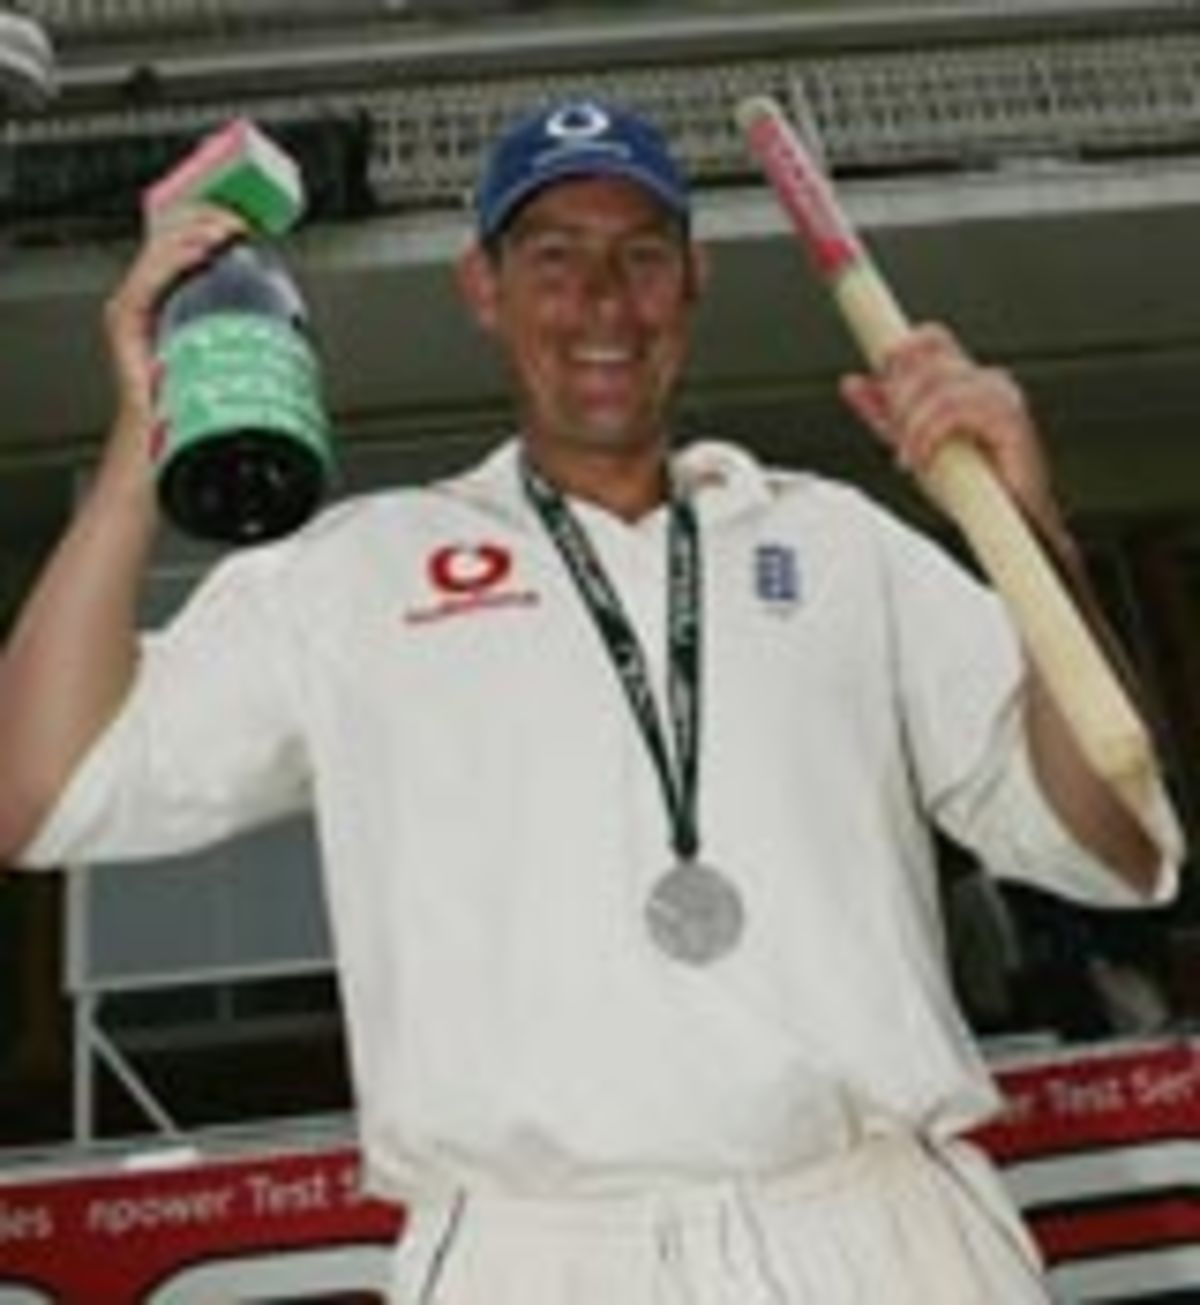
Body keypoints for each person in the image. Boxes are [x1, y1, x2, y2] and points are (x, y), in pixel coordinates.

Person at [0, 97, 1185, 1303]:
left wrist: (1034, 532)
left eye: (640, 256)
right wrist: (145, 435)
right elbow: (35, 790)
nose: (602, 303)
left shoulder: (839, 545)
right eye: (554, 259)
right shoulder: (359, 574)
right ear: (483, 287)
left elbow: (1107, 835)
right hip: (537, 1255)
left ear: (693, 279)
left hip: (878, 1230)